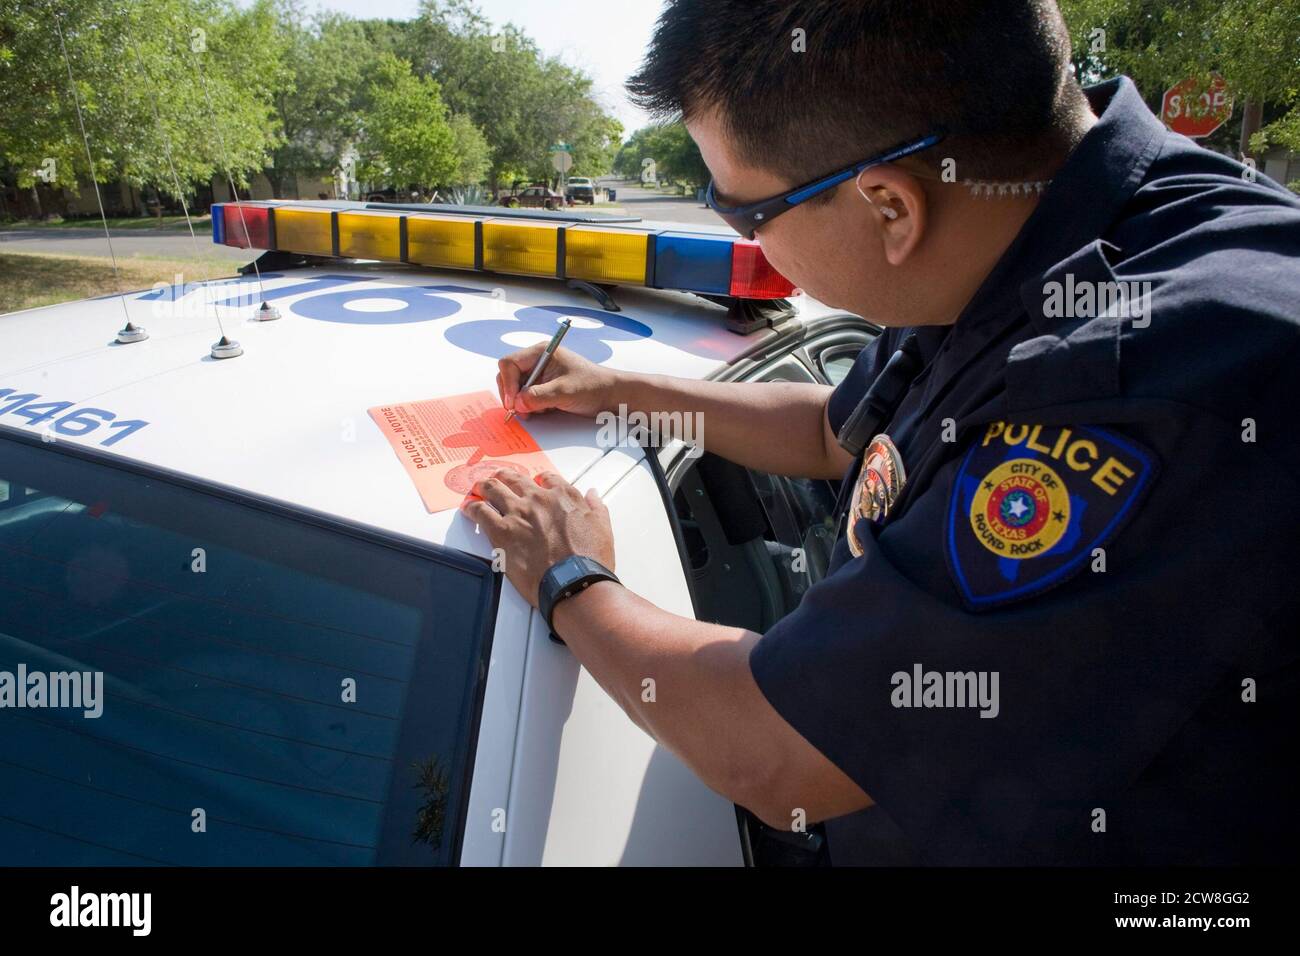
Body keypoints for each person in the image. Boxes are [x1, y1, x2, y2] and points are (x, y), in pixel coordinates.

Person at [461, 0, 1300, 865]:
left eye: (744, 211)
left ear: (891, 207)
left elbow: (784, 750)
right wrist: (619, 389)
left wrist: (571, 578)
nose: (738, 231)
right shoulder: (1019, 222)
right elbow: (837, 433)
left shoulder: (1152, 379)